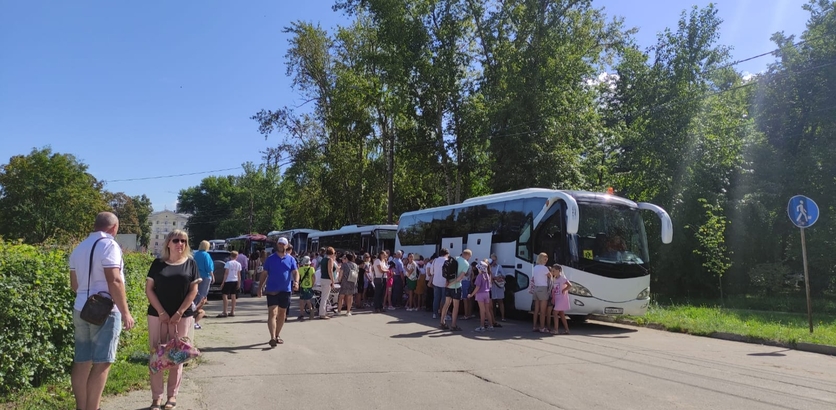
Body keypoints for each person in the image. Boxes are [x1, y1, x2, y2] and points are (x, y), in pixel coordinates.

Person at [69, 212, 136, 410]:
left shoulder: (79, 248)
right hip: (105, 311)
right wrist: (125, 312)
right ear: (114, 227)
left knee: (82, 361)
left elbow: (74, 285)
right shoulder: (109, 245)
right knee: (102, 362)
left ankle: (81, 407)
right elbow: (114, 280)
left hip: (81, 308)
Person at [145, 230, 200, 410]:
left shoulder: (191, 264)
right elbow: (149, 289)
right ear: (168, 243)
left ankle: (172, 396)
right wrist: (161, 312)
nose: (180, 244)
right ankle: (156, 398)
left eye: (184, 241)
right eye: (176, 240)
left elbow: (193, 291)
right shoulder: (158, 264)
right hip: (157, 315)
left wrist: (179, 312)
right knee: (157, 356)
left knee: (177, 356)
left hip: (181, 317)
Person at [258, 237, 299, 346]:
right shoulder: (270, 259)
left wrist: (296, 282)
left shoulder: (291, 259)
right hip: (272, 290)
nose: (281, 245)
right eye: (279, 243)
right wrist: (260, 287)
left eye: (283, 244)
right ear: (277, 245)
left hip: (285, 290)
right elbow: (264, 273)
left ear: (287, 246)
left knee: (282, 314)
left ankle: (277, 335)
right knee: (272, 312)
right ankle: (272, 337)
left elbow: (295, 272)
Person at [440, 249, 471, 331]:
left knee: (446, 304)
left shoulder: (455, 258)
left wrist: (448, 283)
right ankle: (453, 325)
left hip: (448, 286)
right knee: (455, 307)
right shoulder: (466, 264)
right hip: (456, 287)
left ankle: (442, 321)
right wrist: (451, 283)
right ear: (468, 256)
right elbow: (459, 278)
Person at [192, 240, 214, 330]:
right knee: (202, 295)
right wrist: (212, 276)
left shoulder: (195, 254)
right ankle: (196, 315)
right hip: (205, 276)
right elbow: (209, 267)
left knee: (196, 294)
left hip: (196, 276)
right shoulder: (206, 255)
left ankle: (193, 312)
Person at [468, 260, 493, 332]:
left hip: (480, 294)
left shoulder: (479, 276)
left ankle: (482, 326)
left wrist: (471, 294)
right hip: (487, 293)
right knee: (487, 310)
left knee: (482, 311)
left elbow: (477, 287)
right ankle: (491, 326)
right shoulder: (487, 275)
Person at [217, 251, 242, 318]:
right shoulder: (238, 264)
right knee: (233, 295)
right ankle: (232, 311)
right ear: (236, 256)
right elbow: (239, 274)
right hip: (235, 280)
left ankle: (225, 311)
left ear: (230, 256)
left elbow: (226, 273)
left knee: (225, 295)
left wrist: (223, 282)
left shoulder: (228, 263)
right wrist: (239, 282)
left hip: (228, 280)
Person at [530, 252, 551, 333]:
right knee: (543, 311)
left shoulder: (535, 267)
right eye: (545, 258)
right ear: (542, 259)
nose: (546, 260)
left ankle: (534, 326)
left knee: (536, 310)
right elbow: (550, 277)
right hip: (543, 288)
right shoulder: (544, 268)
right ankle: (542, 327)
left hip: (536, 288)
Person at [550, 265, 572, 334]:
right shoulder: (555, 278)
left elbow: (570, 285)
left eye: (554, 271)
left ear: (558, 271)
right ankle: (567, 329)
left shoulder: (562, 278)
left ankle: (556, 330)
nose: (553, 272)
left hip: (561, 298)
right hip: (557, 298)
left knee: (555, 313)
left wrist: (564, 290)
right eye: (552, 271)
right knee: (561, 314)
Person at [318, 247, 337, 319]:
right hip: (327, 279)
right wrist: (333, 280)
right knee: (325, 297)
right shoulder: (330, 260)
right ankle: (322, 314)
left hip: (322, 278)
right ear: (332, 253)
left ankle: (323, 312)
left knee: (323, 297)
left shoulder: (323, 259)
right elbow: (330, 271)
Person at [430, 250, 448, 319]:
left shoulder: (435, 260)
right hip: (444, 282)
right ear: (447, 254)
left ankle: (435, 313)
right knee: (444, 299)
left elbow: (431, 272)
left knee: (436, 298)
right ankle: (442, 314)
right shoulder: (447, 261)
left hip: (436, 282)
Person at [297, 256, 316, 321]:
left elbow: (298, 277)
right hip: (309, 286)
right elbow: (313, 277)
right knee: (308, 300)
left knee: (301, 301)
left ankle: (302, 314)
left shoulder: (300, 269)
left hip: (302, 286)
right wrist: (312, 284)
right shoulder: (312, 269)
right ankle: (311, 310)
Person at [489, 254, 506, 323]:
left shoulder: (499, 266)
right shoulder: (489, 267)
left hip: (498, 286)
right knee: (492, 302)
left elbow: (504, 275)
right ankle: (493, 317)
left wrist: (499, 277)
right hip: (492, 286)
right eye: (492, 260)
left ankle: (503, 317)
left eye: (494, 260)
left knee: (500, 301)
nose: (493, 261)